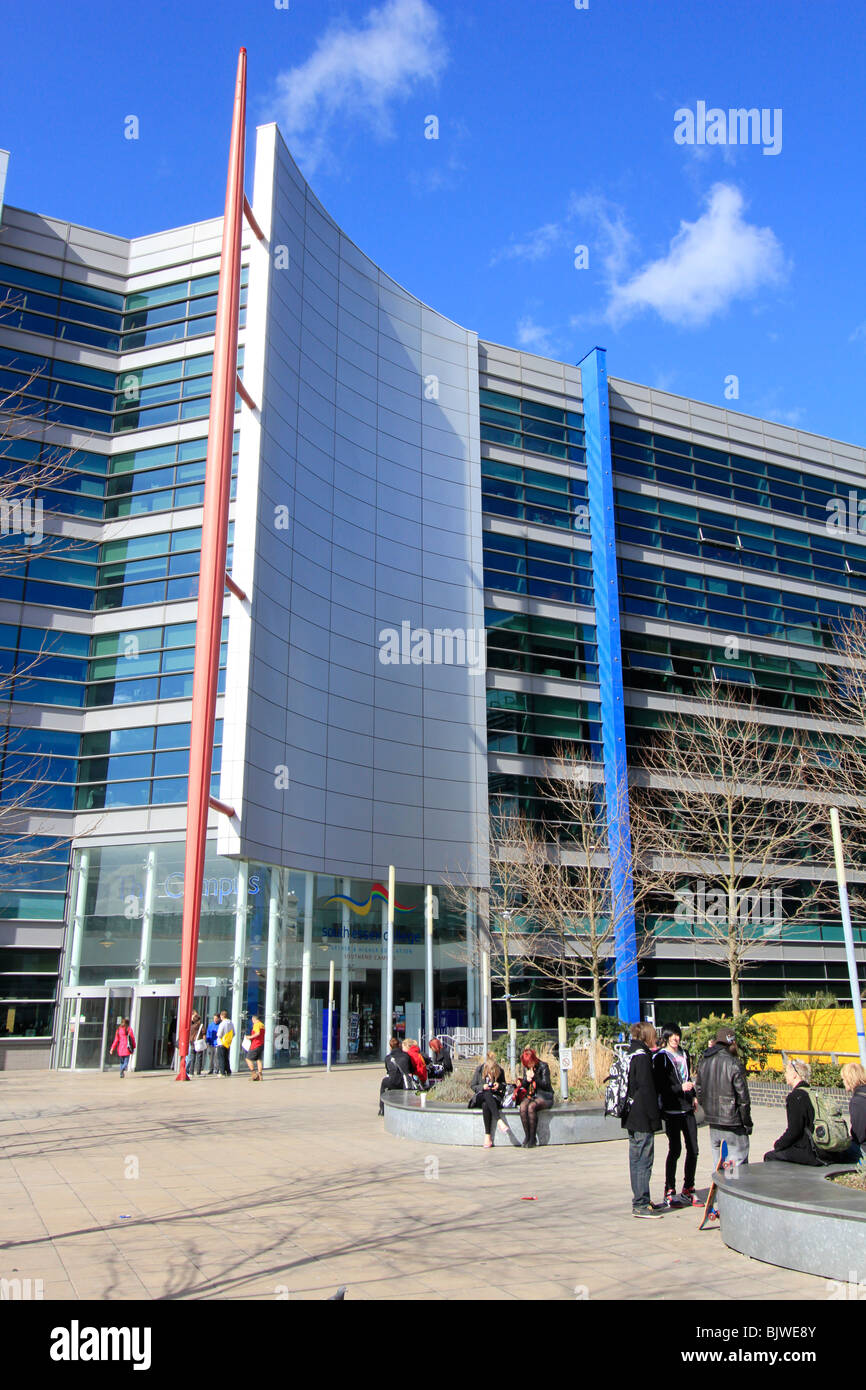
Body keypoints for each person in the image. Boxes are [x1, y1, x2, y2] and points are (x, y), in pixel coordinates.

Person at [653, 1023, 699, 1206]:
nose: (675, 1038)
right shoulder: (661, 1057)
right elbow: (661, 1087)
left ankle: (689, 1188)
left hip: (687, 1108)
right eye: (672, 1035)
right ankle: (669, 1189)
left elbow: (687, 1078)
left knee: (693, 1149)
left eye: (677, 1035)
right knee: (675, 1149)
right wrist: (679, 1088)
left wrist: (693, 1096)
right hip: (672, 1110)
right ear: (666, 1037)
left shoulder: (684, 1054)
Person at [695, 1025, 752, 1173]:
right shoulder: (734, 1063)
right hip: (732, 1122)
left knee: (718, 1163)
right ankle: (732, 1193)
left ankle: (720, 1192)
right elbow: (743, 1098)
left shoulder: (704, 1061)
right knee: (735, 1165)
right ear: (732, 1043)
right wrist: (747, 1123)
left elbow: (699, 1090)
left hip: (713, 1122)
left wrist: (706, 1111)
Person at [622, 1022, 662, 1218]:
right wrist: (655, 1118)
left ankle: (640, 1197)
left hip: (630, 1113)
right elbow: (647, 1089)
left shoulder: (630, 1053)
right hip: (642, 1114)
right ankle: (641, 1203)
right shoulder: (643, 1057)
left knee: (635, 1158)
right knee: (644, 1160)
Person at [763, 1059, 824, 1165]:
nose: (785, 1075)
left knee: (770, 1156)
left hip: (810, 1151)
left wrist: (778, 1144)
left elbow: (794, 1131)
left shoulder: (796, 1097)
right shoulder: (813, 1094)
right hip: (822, 1148)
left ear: (795, 1075)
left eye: (787, 1072)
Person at [516, 1047, 555, 1148]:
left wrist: (535, 1077)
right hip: (531, 1095)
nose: (528, 1066)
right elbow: (524, 1086)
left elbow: (546, 1085)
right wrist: (526, 1080)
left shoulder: (543, 1066)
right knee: (523, 1107)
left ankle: (533, 1138)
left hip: (544, 1095)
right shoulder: (527, 1068)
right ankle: (527, 1136)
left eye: (529, 1063)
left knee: (531, 1107)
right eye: (526, 1065)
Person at [469, 1053, 507, 1148]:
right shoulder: (479, 1070)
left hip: (494, 1098)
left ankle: (487, 1137)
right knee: (486, 1093)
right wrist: (482, 1086)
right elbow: (473, 1086)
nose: (491, 1076)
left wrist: (499, 1085)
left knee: (486, 1104)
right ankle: (499, 1120)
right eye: (489, 1074)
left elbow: (504, 1085)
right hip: (480, 1096)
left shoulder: (500, 1070)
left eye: (493, 1074)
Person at [378, 1036, 412, 1114]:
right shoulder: (406, 1056)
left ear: (390, 1046)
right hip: (403, 1082)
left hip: (391, 1082)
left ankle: (382, 1109)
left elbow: (388, 1070)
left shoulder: (388, 1058)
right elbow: (410, 1068)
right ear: (399, 1045)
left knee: (384, 1083)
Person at [841, 1061, 866, 1159]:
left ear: (849, 1079)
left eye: (843, 1079)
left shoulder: (857, 1101)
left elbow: (859, 1135)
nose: (843, 1082)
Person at [245, 1015, 265, 1081]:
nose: (252, 1022)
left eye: (252, 1020)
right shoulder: (262, 1025)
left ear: (254, 1019)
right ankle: (260, 1075)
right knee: (259, 1060)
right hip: (261, 1044)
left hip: (255, 1044)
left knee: (248, 1059)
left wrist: (250, 1037)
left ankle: (254, 1074)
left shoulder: (256, 1025)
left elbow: (257, 1033)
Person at [216, 1009, 235, 1076]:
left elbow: (219, 1034)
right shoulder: (231, 1023)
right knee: (226, 1057)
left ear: (222, 1016)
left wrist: (219, 1036)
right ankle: (228, 1071)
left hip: (221, 1043)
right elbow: (234, 1033)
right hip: (228, 1043)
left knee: (221, 1058)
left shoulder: (222, 1023)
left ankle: (222, 1072)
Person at [186, 1011, 205, 1077]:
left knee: (192, 1057)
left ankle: (191, 1072)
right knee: (199, 1057)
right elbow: (203, 1033)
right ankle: (198, 1072)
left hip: (192, 1042)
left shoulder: (191, 1025)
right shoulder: (200, 1025)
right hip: (198, 1042)